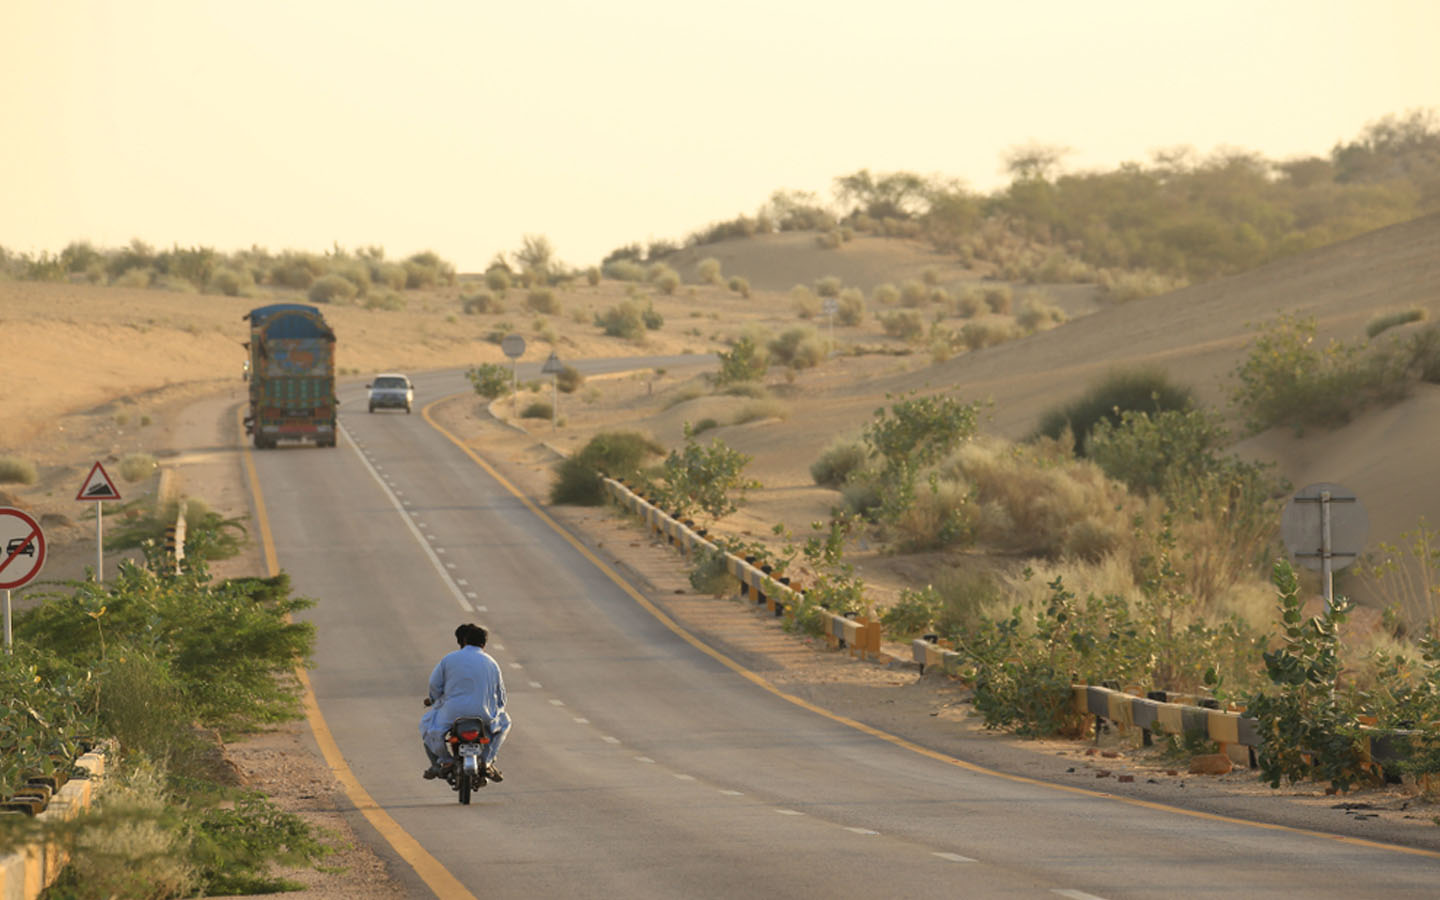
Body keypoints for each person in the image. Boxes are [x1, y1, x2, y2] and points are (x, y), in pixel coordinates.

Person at [420, 623, 510, 782]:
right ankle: (487, 761)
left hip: (451, 713)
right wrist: (498, 707)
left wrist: (434, 700)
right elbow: (501, 695)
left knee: (429, 727)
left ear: (464, 640)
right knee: (504, 723)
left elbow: (434, 685)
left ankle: (445, 761)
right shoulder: (492, 662)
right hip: (484, 714)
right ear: (484, 643)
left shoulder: (449, 659)